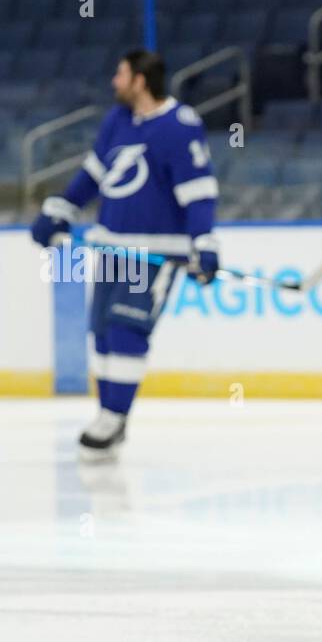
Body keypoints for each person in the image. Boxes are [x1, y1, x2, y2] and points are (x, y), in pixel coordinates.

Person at [31, 49, 219, 460]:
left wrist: (203, 242)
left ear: (139, 80)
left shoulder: (179, 126)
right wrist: (60, 208)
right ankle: (108, 417)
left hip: (154, 254)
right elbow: (94, 176)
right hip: (111, 247)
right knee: (102, 335)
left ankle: (114, 417)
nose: (113, 82)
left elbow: (198, 191)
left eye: (120, 74)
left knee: (126, 331)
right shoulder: (117, 121)